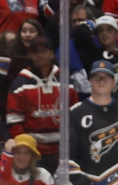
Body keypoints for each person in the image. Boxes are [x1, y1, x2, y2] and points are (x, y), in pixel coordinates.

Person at [7, 35, 78, 170]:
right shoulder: (20, 83)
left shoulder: (65, 79)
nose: (39, 55)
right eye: (35, 51)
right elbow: (14, 122)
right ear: (29, 54)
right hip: (34, 153)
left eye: (44, 51)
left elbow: (74, 115)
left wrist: (71, 145)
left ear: (51, 53)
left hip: (63, 151)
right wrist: (27, 149)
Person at [70, 60, 118, 185]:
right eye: (97, 77)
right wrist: (80, 182)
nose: (102, 81)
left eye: (106, 78)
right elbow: (67, 154)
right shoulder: (76, 113)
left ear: (113, 81)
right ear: (90, 81)